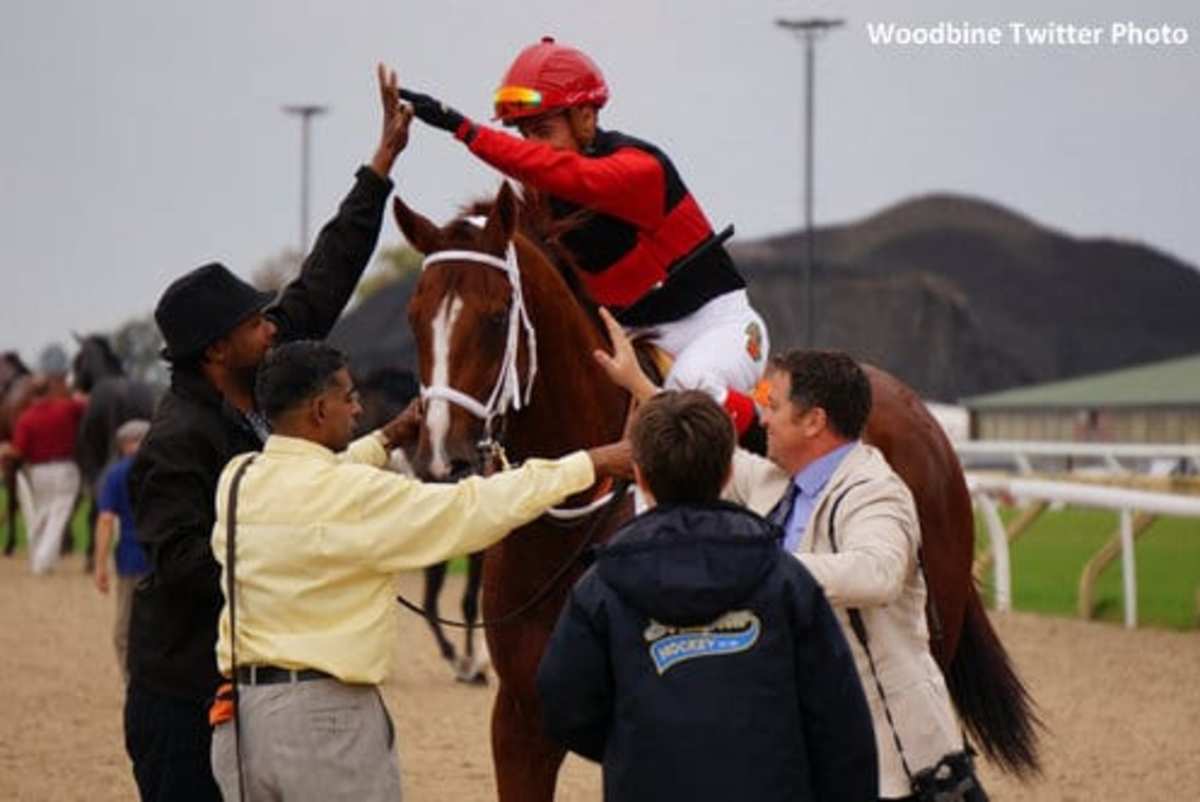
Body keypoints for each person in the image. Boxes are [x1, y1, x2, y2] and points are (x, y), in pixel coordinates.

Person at [123, 65, 413, 802]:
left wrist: (377, 171)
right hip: (181, 694)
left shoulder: (266, 375)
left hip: (247, 688)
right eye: (255, 321)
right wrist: (297, 553)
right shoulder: (175, 439)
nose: (272, 323)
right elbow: (183, 562)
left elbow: (325, 277)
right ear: (217, 350)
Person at [208, 341, 631, 801]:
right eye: (348, 397)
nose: (357, 407)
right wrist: (592, 463)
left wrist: (387, 437)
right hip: (325, 725)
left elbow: (311, 473)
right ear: (318, 409)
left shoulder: (240, 476)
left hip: (243, 723)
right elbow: (471, 507)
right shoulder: (354, 494)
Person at [593, 314, 976, 802]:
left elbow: (877, 574)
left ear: (813, 420)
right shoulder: (775, 483)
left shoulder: (876, 490)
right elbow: (699, 448)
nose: (762, 418)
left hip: (894, 763)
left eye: (771, 406)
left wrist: (755, 569)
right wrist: (639, 385)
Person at [400, 37, 769, 438]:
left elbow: (569, 175)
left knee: (688, 385)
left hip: (712, 326)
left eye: (543, 130)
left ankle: (771, 451)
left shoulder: (639, 169)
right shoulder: (544, 198)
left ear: (587, 119)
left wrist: (465, 130)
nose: (534, 148)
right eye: (526, 135)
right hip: (625, 336)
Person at [535, 389, 876, 802]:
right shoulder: (786, 580)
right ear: (729, 473)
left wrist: (637, 742)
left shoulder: (600, 586)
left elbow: (563, 705)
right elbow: (840, 719)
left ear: (639, 477)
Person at [5, 344, 86, 575]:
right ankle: (42, 561)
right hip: (65, 469)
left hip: (38, 472)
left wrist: (4, 450)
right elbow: (86, 407)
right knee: (59, 517)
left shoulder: (26, 419)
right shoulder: (68, 408)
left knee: (41, 514)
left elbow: (18, 450)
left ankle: (39, 557)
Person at [93, 418, 151, 682]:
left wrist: (100, 565)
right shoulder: (162, 467)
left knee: (125, 627)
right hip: (161, 555)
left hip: (130, 556)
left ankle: (132, 680)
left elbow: (106, 520)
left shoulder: (116, 475)